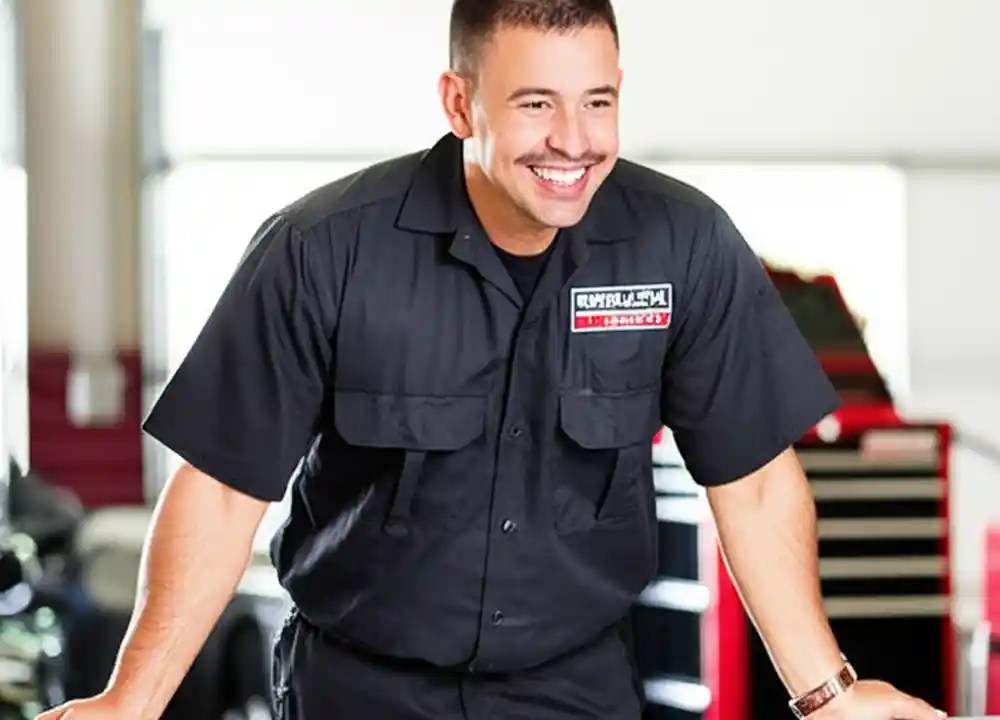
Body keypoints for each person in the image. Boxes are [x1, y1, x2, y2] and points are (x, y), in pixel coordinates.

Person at [38, 1, 944, 718]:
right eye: (536, 104)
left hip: (575, 691)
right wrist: (132, 703)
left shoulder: (682, 245)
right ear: (459, 102)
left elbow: (750, 480)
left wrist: (827, 694)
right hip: (358, 693)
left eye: (598, 102)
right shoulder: (323, 251)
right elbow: (223, 487)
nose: (574, 140)